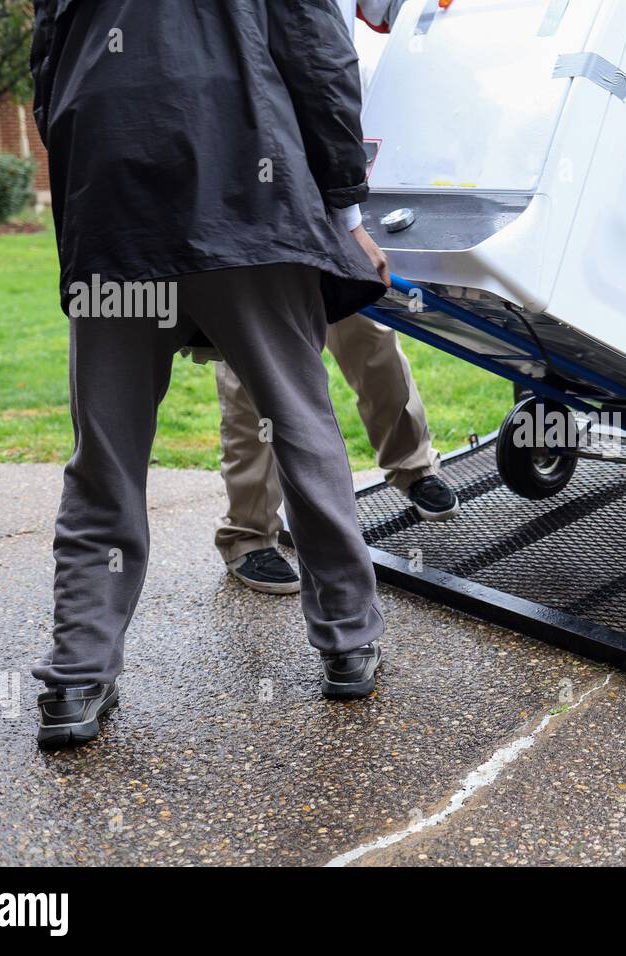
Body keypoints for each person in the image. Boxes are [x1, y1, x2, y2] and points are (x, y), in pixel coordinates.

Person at [30, 0, 392, 749]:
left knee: (106, 453)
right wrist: (346, 208)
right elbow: (319, 51)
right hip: (247, 186)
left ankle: (77, 676)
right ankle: (348, 639)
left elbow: (49, 63)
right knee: (299, 425)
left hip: (114, 195)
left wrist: (88, 168)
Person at [215, 0, 459, 596]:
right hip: (247, 186)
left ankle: (412, 467)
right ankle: (248, 533)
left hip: (327, 186)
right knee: (251, 372)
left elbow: (388, 13)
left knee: (369, 337)